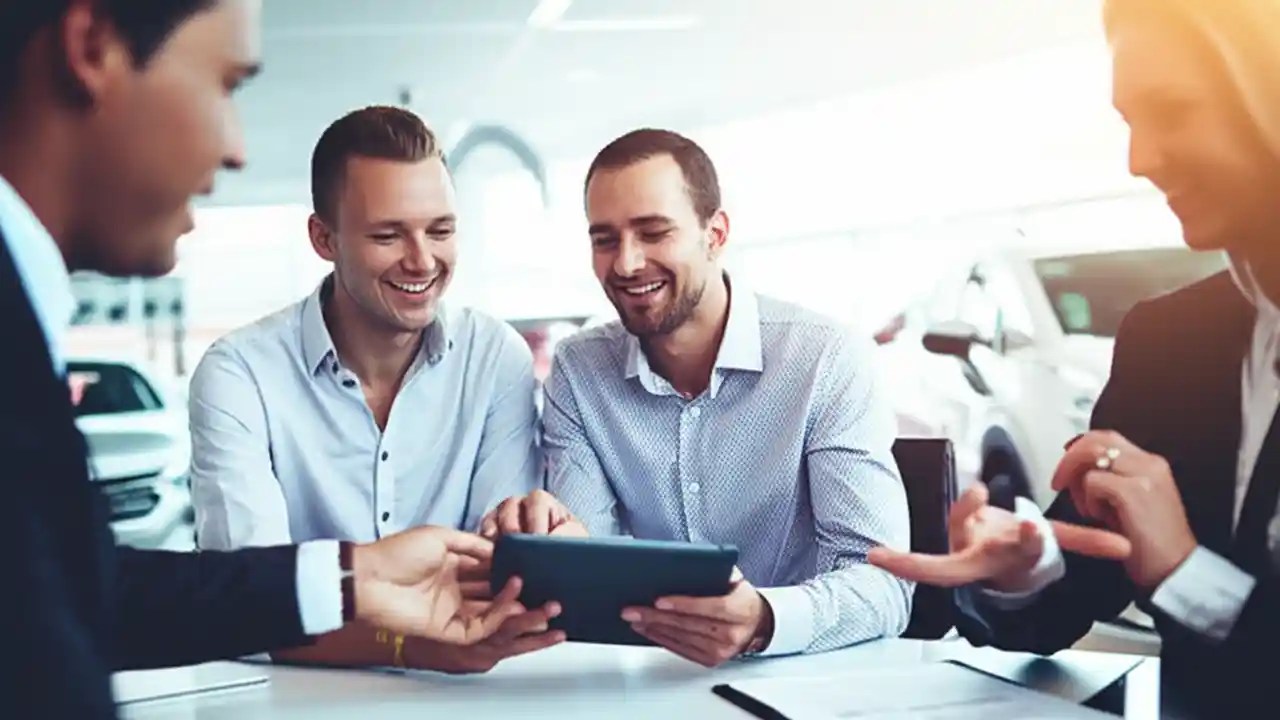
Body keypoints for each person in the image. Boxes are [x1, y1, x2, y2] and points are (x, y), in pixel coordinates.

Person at [0, 2, 530, 717]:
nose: (238, 149)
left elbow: (90, 592)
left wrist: (360, 571)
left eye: (440, 229)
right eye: (226, 84)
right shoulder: (234, 368)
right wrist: (402, 636)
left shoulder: (27, 321)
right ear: (91, 48)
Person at [868, 0, 1279, 714]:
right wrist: (1025, 569)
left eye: (1173, 111)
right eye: (1131, 122)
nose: (1141, 159)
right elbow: (1068, 598)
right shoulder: (1170, 339)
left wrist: (1184, 572)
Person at [489, 129, 914, 667]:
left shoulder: (825, 358)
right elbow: (585, 557)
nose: (625, 263)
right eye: (605, 239)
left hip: (805, 680)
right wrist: (556, 544)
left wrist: (763, 619)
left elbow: (884, 584)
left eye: (653, 232)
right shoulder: (579, 370)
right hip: (647, 684)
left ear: (715, 233)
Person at [189, 105, 560, 674]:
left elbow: (501, 575)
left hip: (469, 701)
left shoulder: (495, 359)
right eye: (388, 235)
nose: (422, 261)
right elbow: (246, 604)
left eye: (441, 230)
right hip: (293, 703)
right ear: (323, 238)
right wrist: (415, 643)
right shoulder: (240, 375)